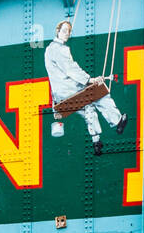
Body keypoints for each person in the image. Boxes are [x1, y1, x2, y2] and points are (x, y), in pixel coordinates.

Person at [44, 19, 129, 155]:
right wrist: (90, 80)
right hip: (69, 92)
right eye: (64, 31)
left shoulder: (49, 50)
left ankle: (96, 141)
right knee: (100, 90)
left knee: (88, 108)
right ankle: (117, 121)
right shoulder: (59, 49)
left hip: (60, 99)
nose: (67, 34)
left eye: (69, 32)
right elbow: (71, 69)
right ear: (57, 31)